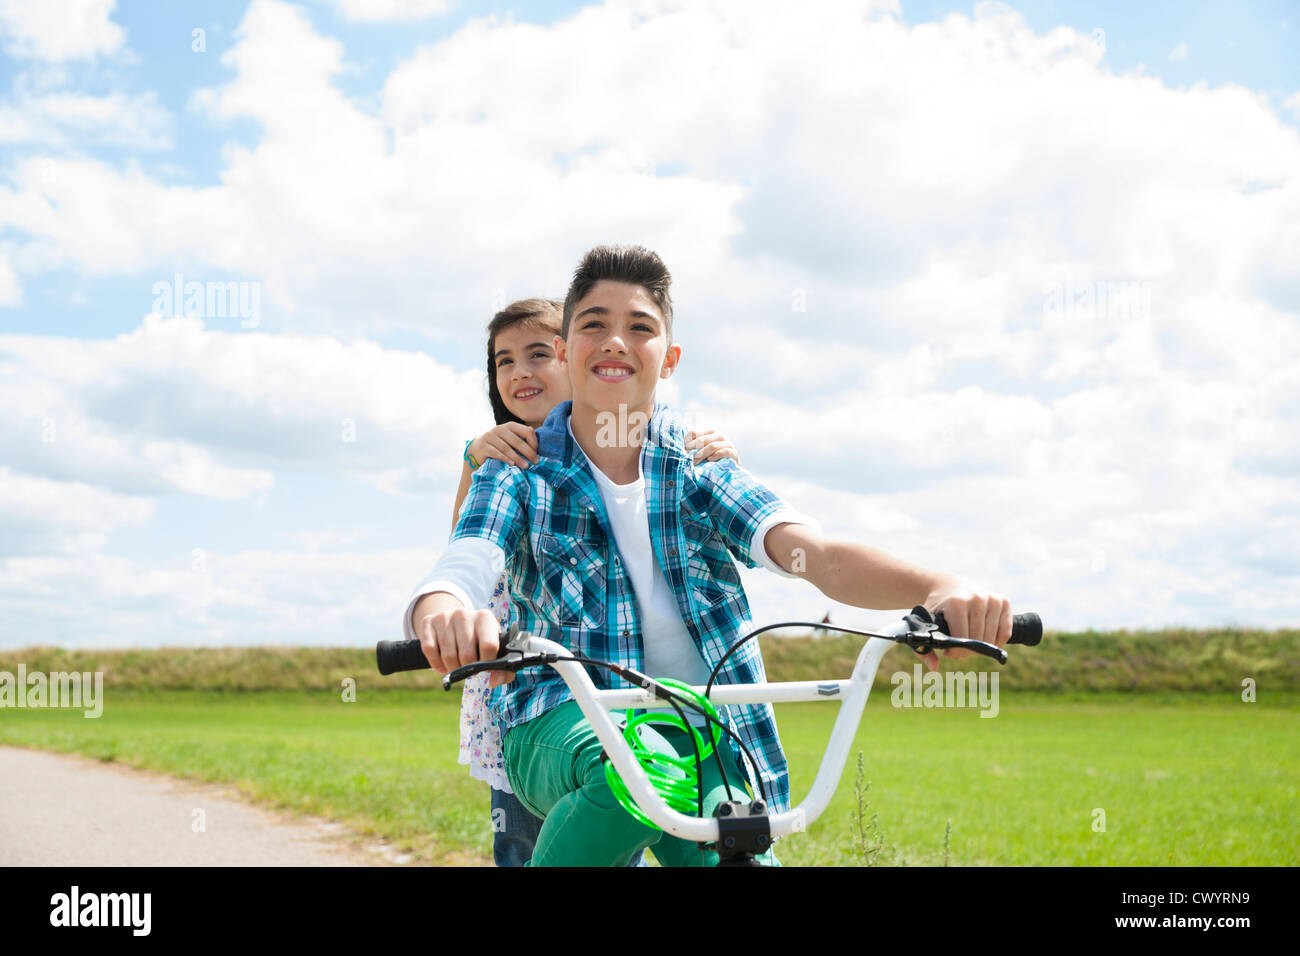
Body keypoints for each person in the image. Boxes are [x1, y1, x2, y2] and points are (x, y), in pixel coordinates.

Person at [406, 245, 1015, 866]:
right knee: (629, 784)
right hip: (562, 719)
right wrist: (448, 612)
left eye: (639, 327)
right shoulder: (518, 471)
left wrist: (940, 587)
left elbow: (816, 554)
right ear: (565, 350)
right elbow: (465, 563)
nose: (615, 340)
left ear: (667, 359)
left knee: (737, 852)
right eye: (593, 324)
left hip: (708, 731)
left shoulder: (700, 468)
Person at [450, 296, 742, 866]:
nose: (519, 372)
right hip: (528, 687)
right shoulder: (501, 458)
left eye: (538, 354)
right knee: (525, 839)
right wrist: (472, 458)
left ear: (570, 356)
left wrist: (719, 460)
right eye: (503, 361)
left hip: (623, 682)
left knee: (629, 817)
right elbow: (464, 551)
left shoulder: (651, 449)